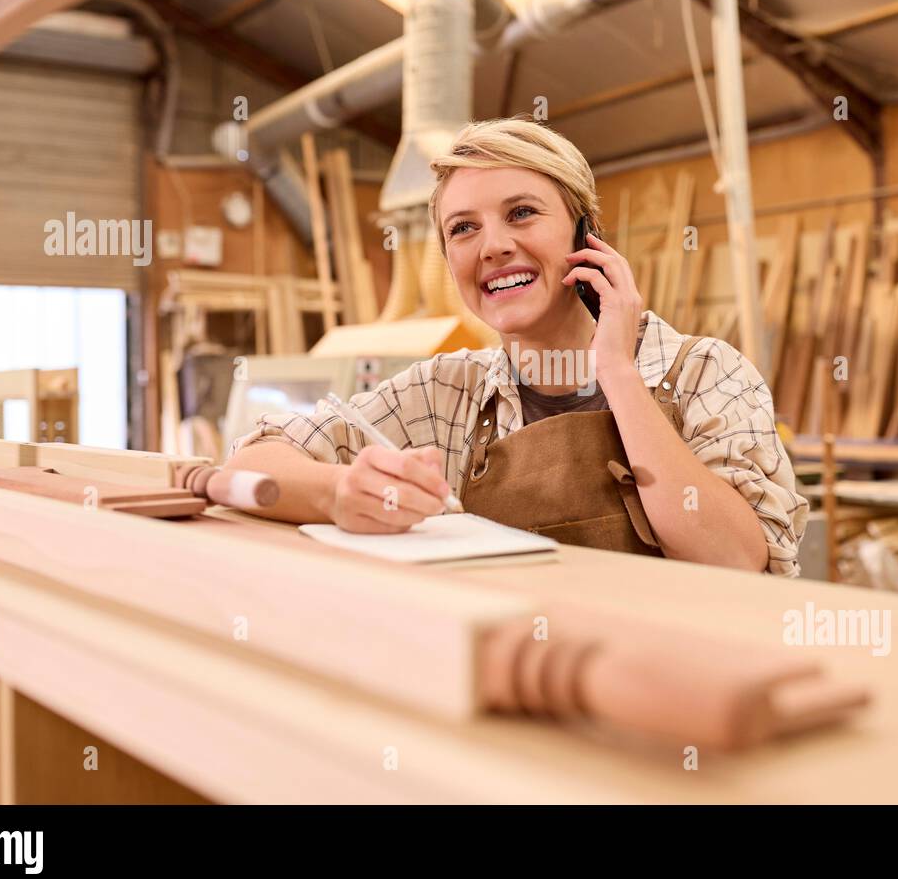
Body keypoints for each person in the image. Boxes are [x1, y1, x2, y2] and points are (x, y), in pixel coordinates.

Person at [226, 116, 808, 574]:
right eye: (463, 228)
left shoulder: (706, 373)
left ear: (588, 236)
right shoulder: (446, 392)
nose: (493, 246)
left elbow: (733, 557)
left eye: (522, 213)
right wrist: (337, 491)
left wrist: (619, 373)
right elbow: (253, 461)